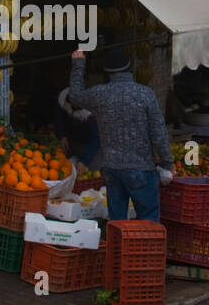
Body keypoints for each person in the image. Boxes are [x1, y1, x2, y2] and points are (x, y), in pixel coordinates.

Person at [68, 47, 173, 222]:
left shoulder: (100, 94)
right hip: (141, 168)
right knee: (148, 223)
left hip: (111, 169)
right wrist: (167, 162)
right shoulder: (145, 93)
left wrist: (78, 65)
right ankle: (142, 249)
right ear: (130, 67)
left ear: (107, 72)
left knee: (117, 224)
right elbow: (158, 132)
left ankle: (118, 249)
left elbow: (75, 96)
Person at [54, 87, 100, 170]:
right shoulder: (64, 100)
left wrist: (85, 161)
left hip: (87, 146)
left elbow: (96, 138)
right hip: (70, 142)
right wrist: (62, 135)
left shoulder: (92, 112)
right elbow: (59, 118)